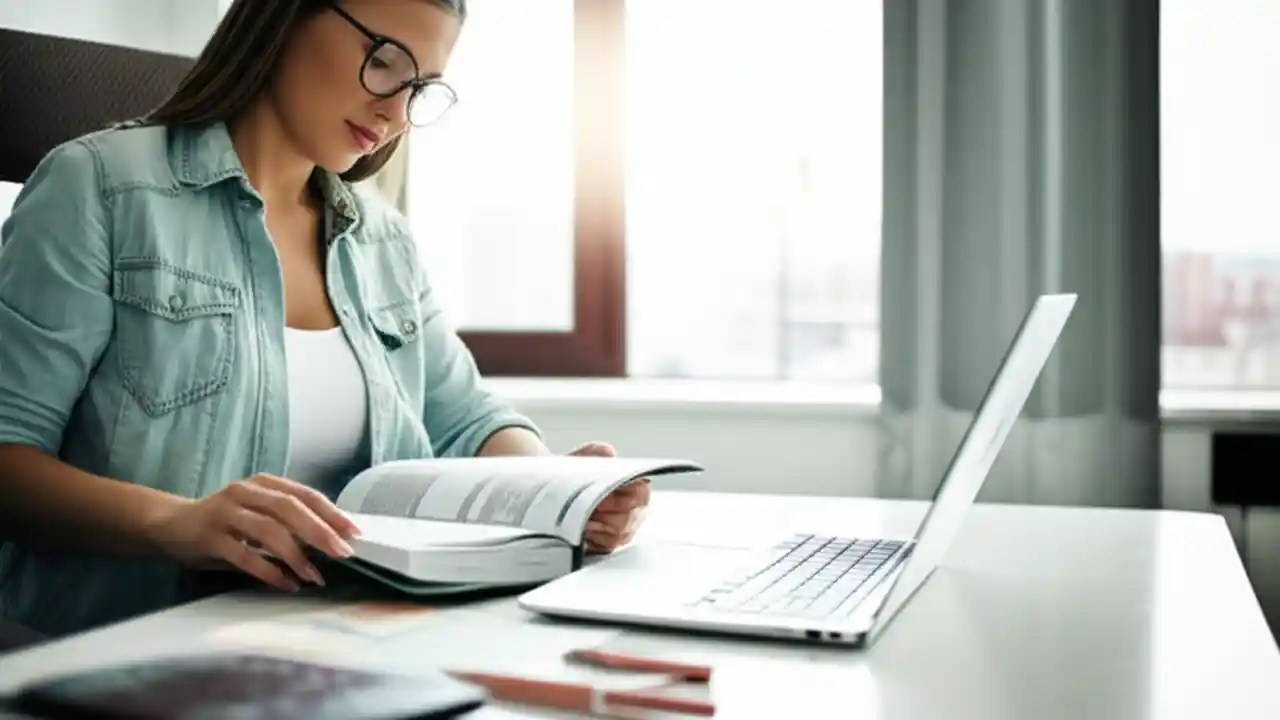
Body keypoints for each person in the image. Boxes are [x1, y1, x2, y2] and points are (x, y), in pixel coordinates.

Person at [0, 0, 649, 638]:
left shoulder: (382, 241)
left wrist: (557, 493)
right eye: (384, 62)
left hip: (346, 635)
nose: (395, 111)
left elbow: (466, 418)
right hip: (126, 641)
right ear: (285, 18)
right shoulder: (100, 188)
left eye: (419, 88)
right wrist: (178, 523)